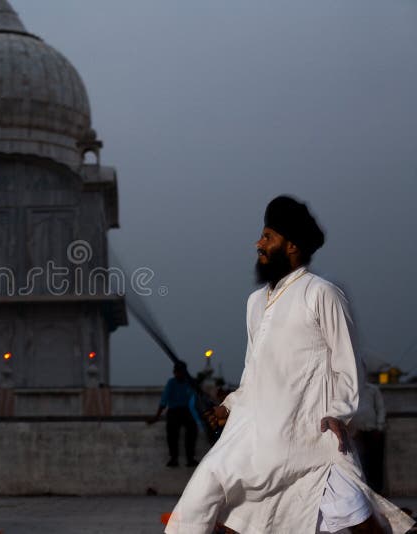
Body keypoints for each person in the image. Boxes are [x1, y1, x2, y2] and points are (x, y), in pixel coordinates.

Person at [165, 196, 414, 534]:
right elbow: (253, 373)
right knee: (206, 499)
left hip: (310, 437)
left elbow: (347, 362)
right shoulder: (255, 303)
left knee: (355, 518)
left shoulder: (321, 293)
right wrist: (229, 406)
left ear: (292, 246)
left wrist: (339, 413)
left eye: (268, 237)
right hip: (259, 436)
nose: (259, 244)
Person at [152, 362, 199, 467]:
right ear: (174, 372)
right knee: (172, 434)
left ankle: (190, 458)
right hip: (174, 412)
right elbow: (164, 401)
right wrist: (157, 416)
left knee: (192, 431)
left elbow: (197, 397)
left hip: (186, 411)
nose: (179, 374)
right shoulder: (171, 383)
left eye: (181, 372)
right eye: (177, 372)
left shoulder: (189, 383)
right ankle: (174, 458)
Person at [350, 379, 387, 494]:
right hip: (355, 432)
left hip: (372, 431)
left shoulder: (372, 389)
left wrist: (379, 426)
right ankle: (362, 491)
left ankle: (377, 492)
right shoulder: (349, 389)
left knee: (375, 462)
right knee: (359, 462)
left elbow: (381, 408)